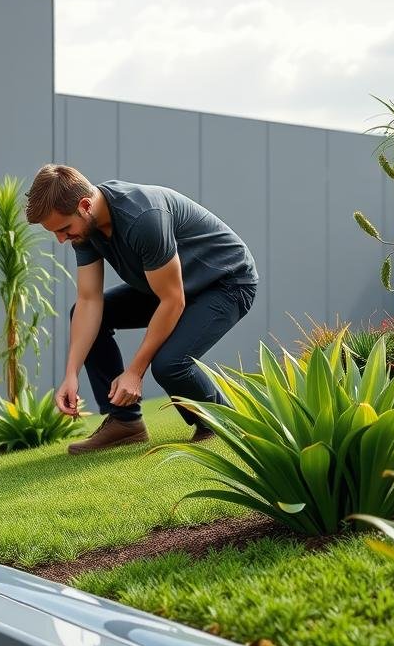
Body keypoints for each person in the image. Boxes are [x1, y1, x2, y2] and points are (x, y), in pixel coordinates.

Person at [25, 164, 258, 454]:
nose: (62, 239)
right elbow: (89, 300)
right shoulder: (85, 228)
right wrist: (71, 373)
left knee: (170, 364)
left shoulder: (143, 218)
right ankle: (125, 423)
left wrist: (135, 372)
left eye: (63, 229)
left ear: (84, 206)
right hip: (169, 287)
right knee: (87, 315)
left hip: (225, 282)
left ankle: (223, 424)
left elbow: (173, 300)